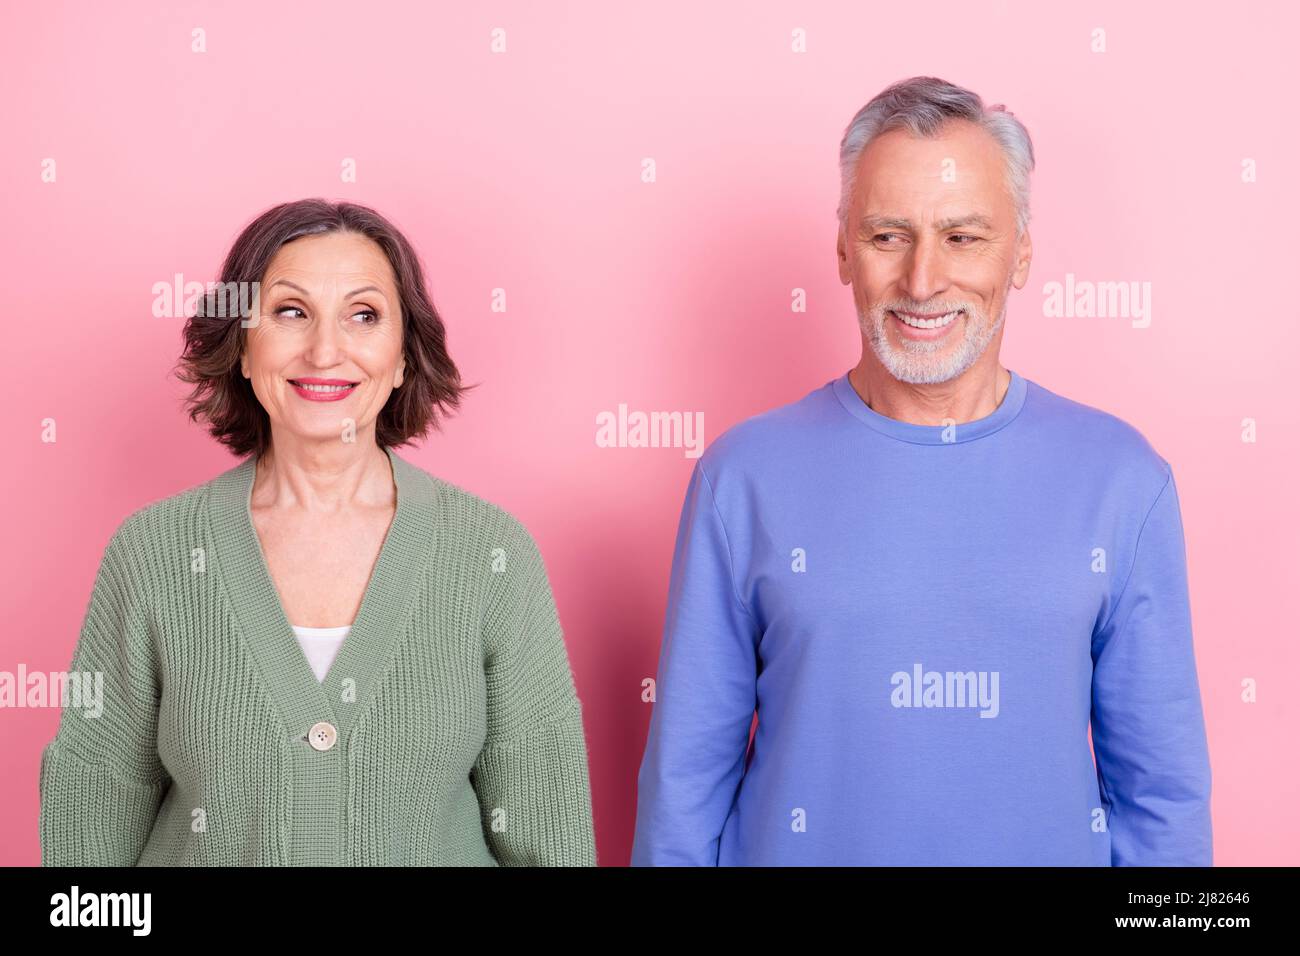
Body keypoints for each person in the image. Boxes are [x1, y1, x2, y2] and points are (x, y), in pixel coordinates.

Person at [631, 76, 1212, 866]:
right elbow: (684, 788)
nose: (923, 280)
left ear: (1022, 254)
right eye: (887, 236)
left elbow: (1163, 799)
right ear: (842, 250)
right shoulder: (742, 477)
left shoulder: (1123, 481)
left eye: (964, 237)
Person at [39, 199, 596, 865]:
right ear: (243, 348)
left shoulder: (491, 555)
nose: (325, 350)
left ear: (401, 357)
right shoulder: (151, 552)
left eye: (363, 315)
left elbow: (549, 831)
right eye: (289, 311)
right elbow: (91, 813)